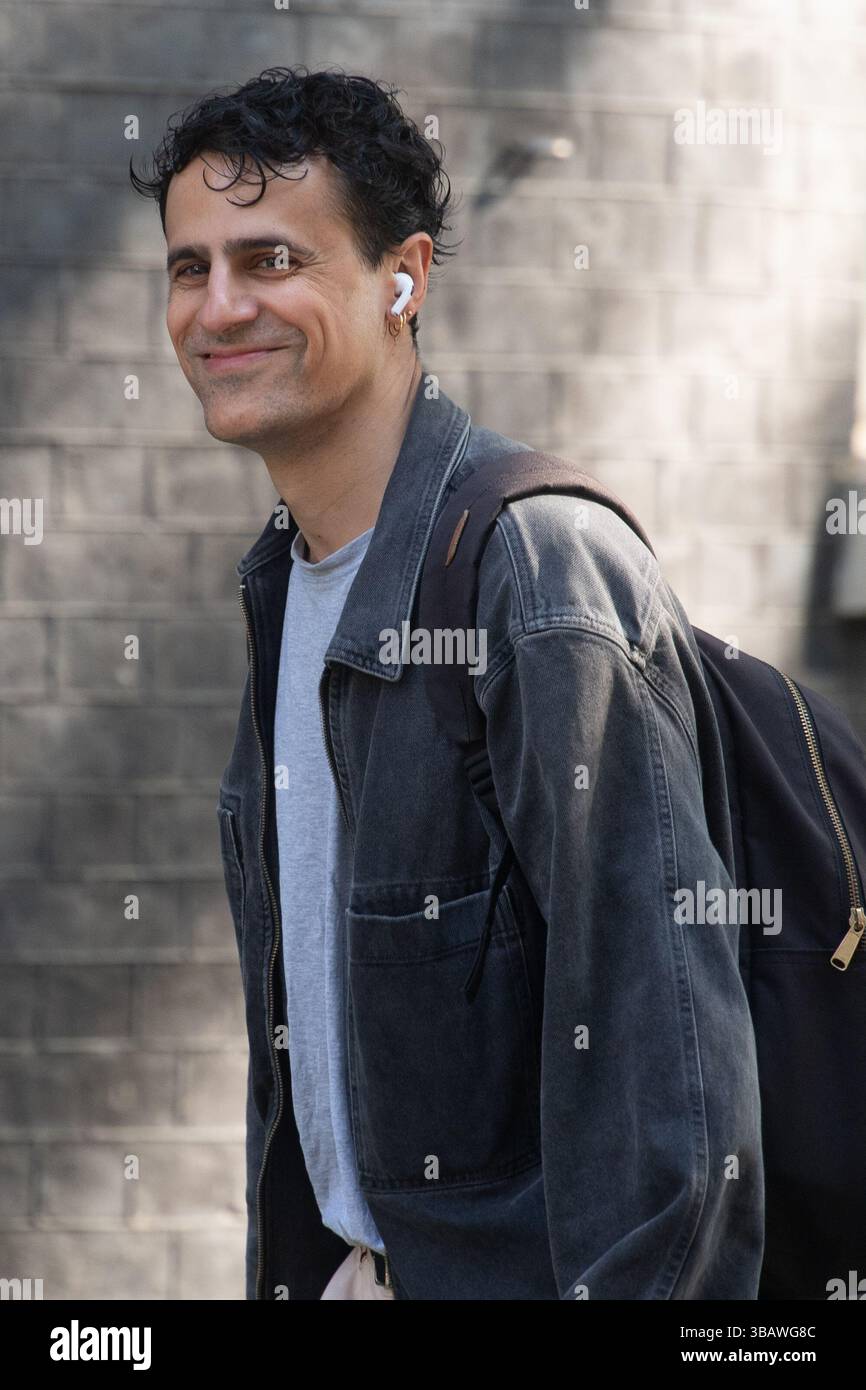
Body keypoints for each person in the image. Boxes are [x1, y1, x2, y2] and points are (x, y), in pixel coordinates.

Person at [130, 65, 765, 1301]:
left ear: (402, 277)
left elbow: (673, 1101)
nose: (216, 308)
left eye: (269, 260)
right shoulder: (288, 583)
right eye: (187, 267)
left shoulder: (535, 578)